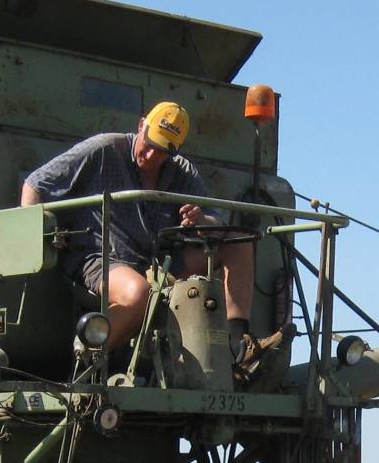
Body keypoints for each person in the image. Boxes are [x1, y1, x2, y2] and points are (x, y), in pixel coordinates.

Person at [20, 102, 253, 358]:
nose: (152, 156)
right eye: (150, 144)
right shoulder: (103, 149)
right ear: (141, 125)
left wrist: (202, 221)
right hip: (99, 259)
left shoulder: (183, 172)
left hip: (158, 264)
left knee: (238, 240)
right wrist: (42, 235)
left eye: (163, 151)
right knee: (139, 293)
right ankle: (88, 356)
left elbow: (217, 224)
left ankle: (237, 345)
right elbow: (36, 184)